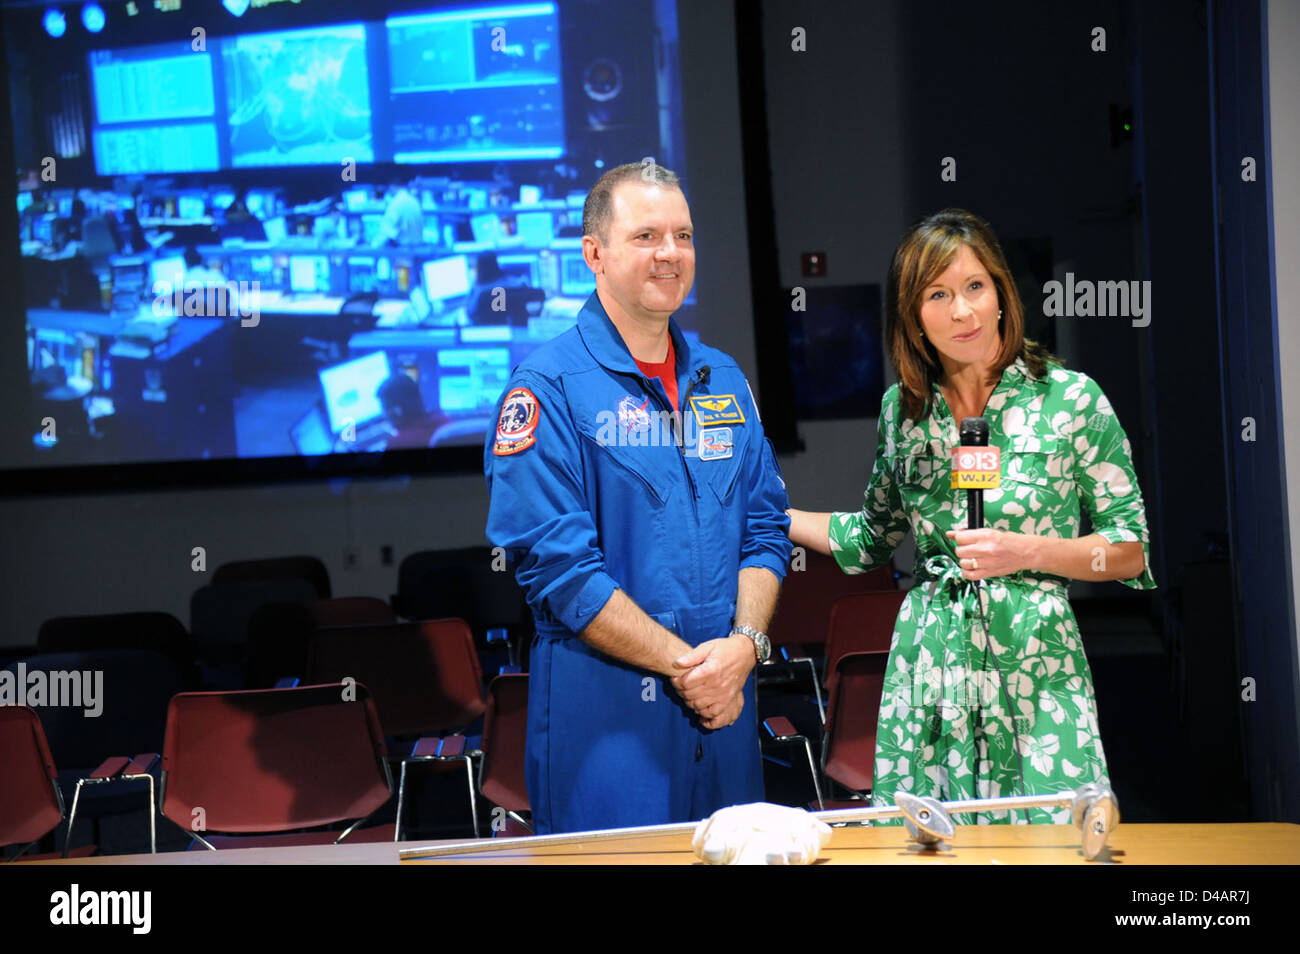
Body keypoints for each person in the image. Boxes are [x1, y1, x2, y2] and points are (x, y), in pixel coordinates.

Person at [787, 208, 1156, 824]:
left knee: (1054, 839)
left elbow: (1129, 548)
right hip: (930, 662)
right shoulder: (901, 412)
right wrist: (777, 514)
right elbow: (872, 538)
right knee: (932, 848)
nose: (962, 312)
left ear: (1003, 295)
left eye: (975, 288)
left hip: (1038, 659)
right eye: (938, 294)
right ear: (912, 315)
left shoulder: (1071, 399)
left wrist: (1027, 551)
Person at [484, 162, 792, 835]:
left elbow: (767, 529)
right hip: (609, 733)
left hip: (726, 718)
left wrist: (743, 647)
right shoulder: (548, 389)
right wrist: (691, 669)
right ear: (594, 253)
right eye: (646, 236)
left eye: (682, 236)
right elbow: (562, 575)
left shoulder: (724, 379)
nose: (670, 254)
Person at [375, 177, 424, 247]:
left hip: (403, 250)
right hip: (418, 247)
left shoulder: (396, 203)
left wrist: (374, 247)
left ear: (392, 186)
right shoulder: (414, 200)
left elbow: (387, 231)